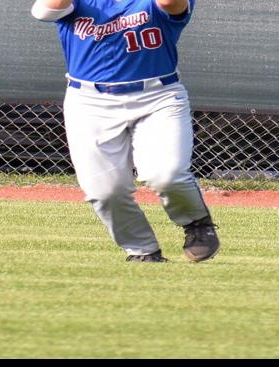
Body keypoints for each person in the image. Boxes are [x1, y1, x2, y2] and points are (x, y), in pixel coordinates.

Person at [32, 0, 220, 263]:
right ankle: (142, 251)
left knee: (165, 174)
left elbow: (171, 4)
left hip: (158, 96)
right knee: (105, 191)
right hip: (89, 101)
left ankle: (197, 223)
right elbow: (44, 10)